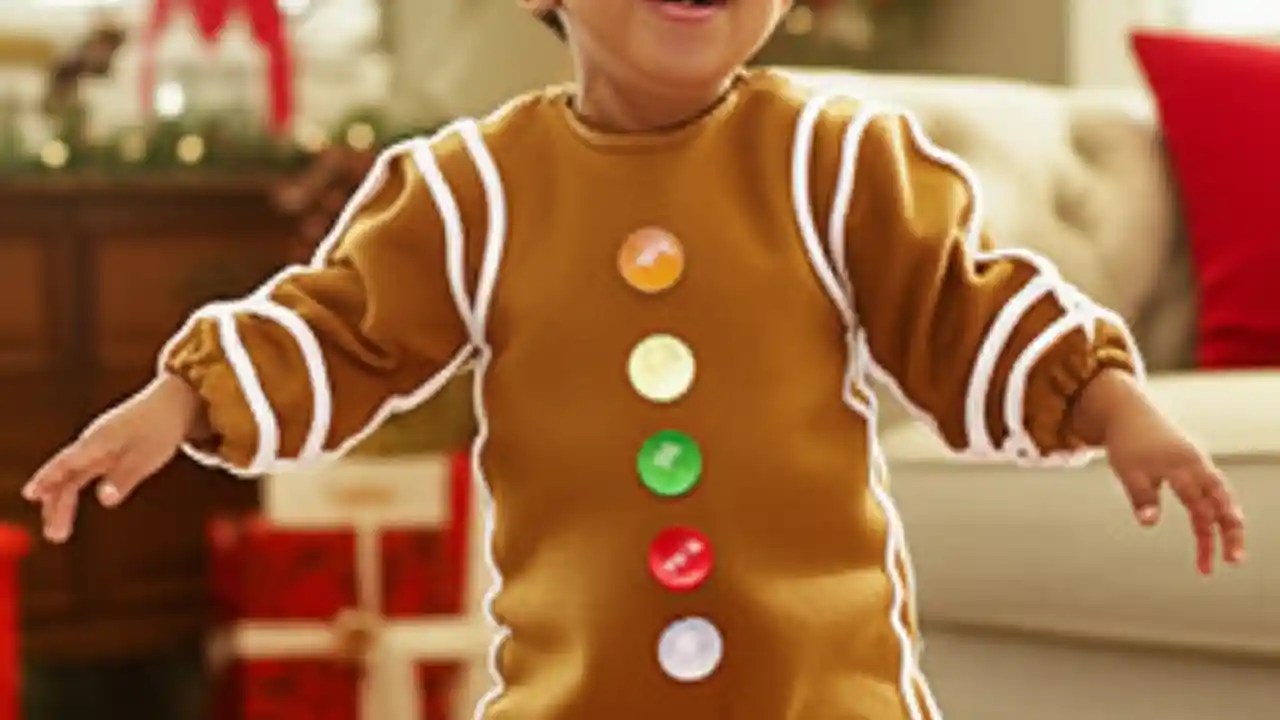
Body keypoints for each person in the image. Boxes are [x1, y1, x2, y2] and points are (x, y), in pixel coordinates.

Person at [22, 1, 1246, 719]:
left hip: (818, 695)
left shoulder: (833, 163)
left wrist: (1107, 400)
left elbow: (963, 304)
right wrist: (185, 397)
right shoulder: (473, 190)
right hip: (580, 692)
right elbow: (343, 323)